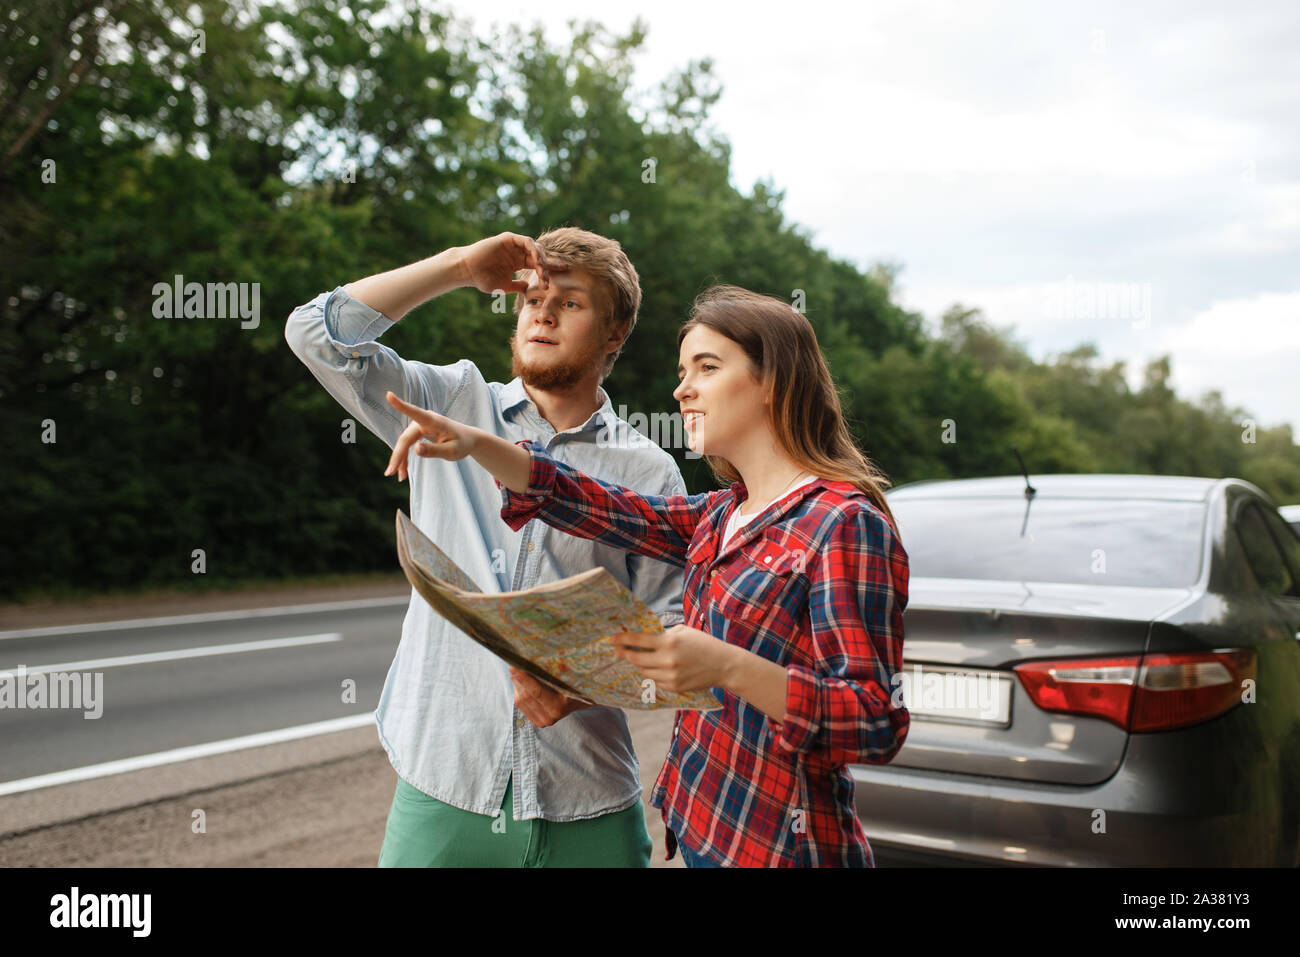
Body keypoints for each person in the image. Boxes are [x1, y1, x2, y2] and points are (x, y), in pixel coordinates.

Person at [381, 284, 911, 867]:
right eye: (682, 371)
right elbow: (598, 504)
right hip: (705, 832)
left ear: (774, 382)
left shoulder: (842, 522)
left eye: (706, 368)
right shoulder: (721, 514)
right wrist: (481, 444)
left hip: (786, 847)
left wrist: (726, 666)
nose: (682, 389)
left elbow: (872, 721)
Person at [284, 228, 688, 867]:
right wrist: (459, 266)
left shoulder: (650, 472)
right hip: (444, 786)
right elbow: (314, 335)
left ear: (616, 333)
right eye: (531, 298)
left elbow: (673, 636)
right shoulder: (448, 402)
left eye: (571, 303)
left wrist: (576, 689)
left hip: (585, 798)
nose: (543, 314)